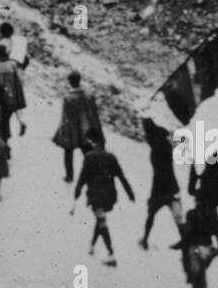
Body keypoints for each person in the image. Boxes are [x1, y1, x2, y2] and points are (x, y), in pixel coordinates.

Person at [73, 129, 135, 267]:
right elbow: (121, 176)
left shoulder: (89, 157)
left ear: (93, 141)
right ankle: (92, 245)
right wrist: (129, 192)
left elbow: (82, 177)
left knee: (101, 222)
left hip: (95, 195)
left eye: (89, 141)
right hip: (109, 196)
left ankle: (111, 254)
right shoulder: (111, 157)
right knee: (100, 220)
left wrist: (77, 191)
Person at [138, 118, 184, 248]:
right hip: (172, 187)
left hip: (159, 188)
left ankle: (145, 240)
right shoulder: (166, 147)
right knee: (178, 218)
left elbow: (159, 174)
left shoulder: (156, 148)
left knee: (151, 213)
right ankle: (185, 241)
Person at [54, 71, 101, 182]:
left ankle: (69, 176)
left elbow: (65, 116)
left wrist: (62, 132)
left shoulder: (68, 97)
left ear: (70, 82)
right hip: (85, 129)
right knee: (87, 152)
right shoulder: (88, 95)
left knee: (68, 153)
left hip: (71, 130)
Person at [0, 42, 27, 137]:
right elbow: (17, 83)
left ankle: (2, 142)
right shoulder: (12, 65)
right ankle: (6, 139)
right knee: (6, 121)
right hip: (11, 99)